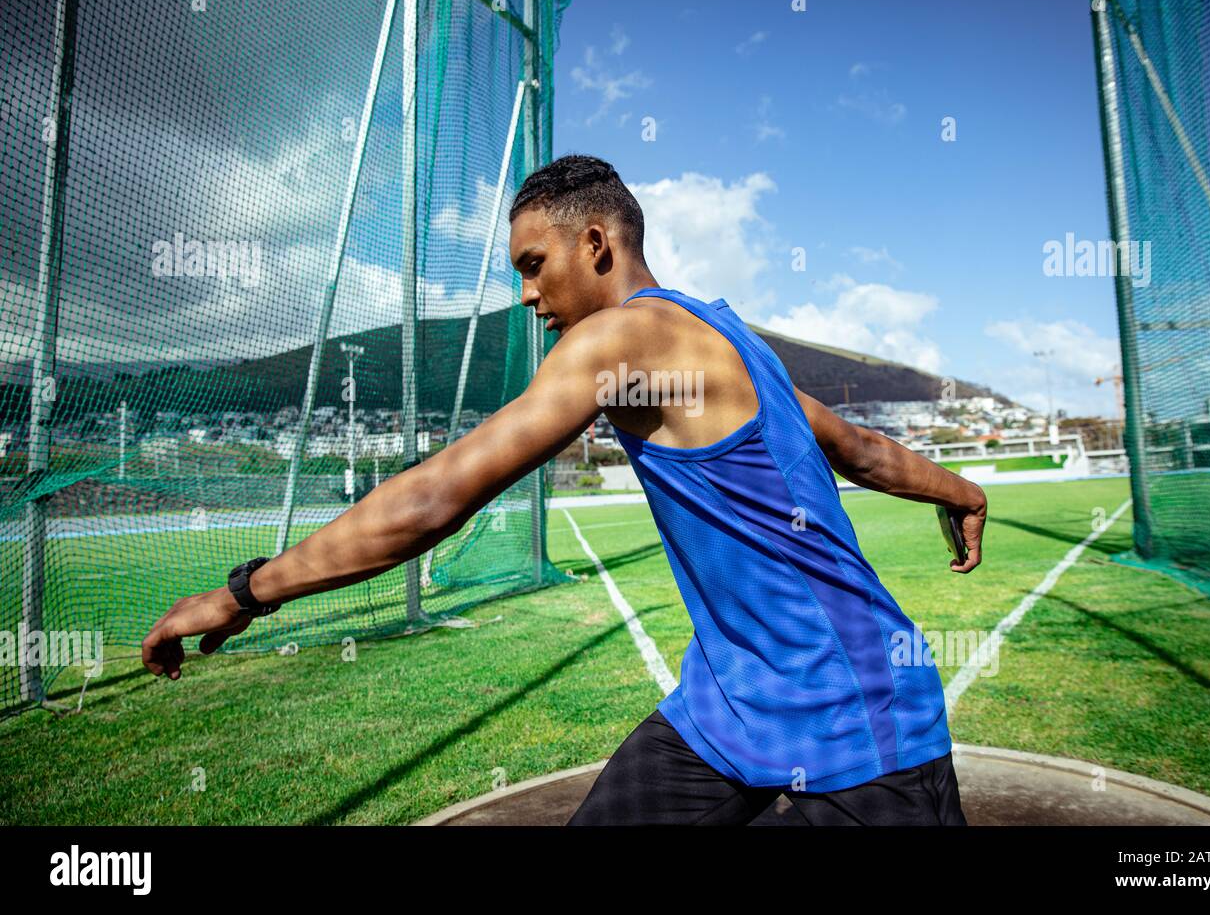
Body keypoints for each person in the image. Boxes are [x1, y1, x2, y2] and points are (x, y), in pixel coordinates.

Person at [142, 154, 987, 826]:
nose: (527, 294)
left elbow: (437, 497)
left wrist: (247, 591)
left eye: (535, 264)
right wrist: (960, 492)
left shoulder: (626, 338)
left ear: (596, 243)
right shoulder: (729, 339)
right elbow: (864, 451)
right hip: (730, 709)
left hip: (858, 719)